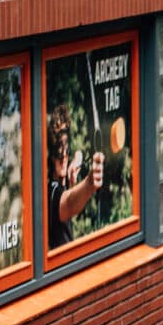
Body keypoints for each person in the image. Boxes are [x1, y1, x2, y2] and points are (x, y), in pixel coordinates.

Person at [45, 105, 104, 250]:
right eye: (58, 146)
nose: (64, 155)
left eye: (66, 146)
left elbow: (79, 153)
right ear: (51, 154)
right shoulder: (50, 191)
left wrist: (78, 158)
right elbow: (68, 203)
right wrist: (89, 183)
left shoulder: (63, 180)